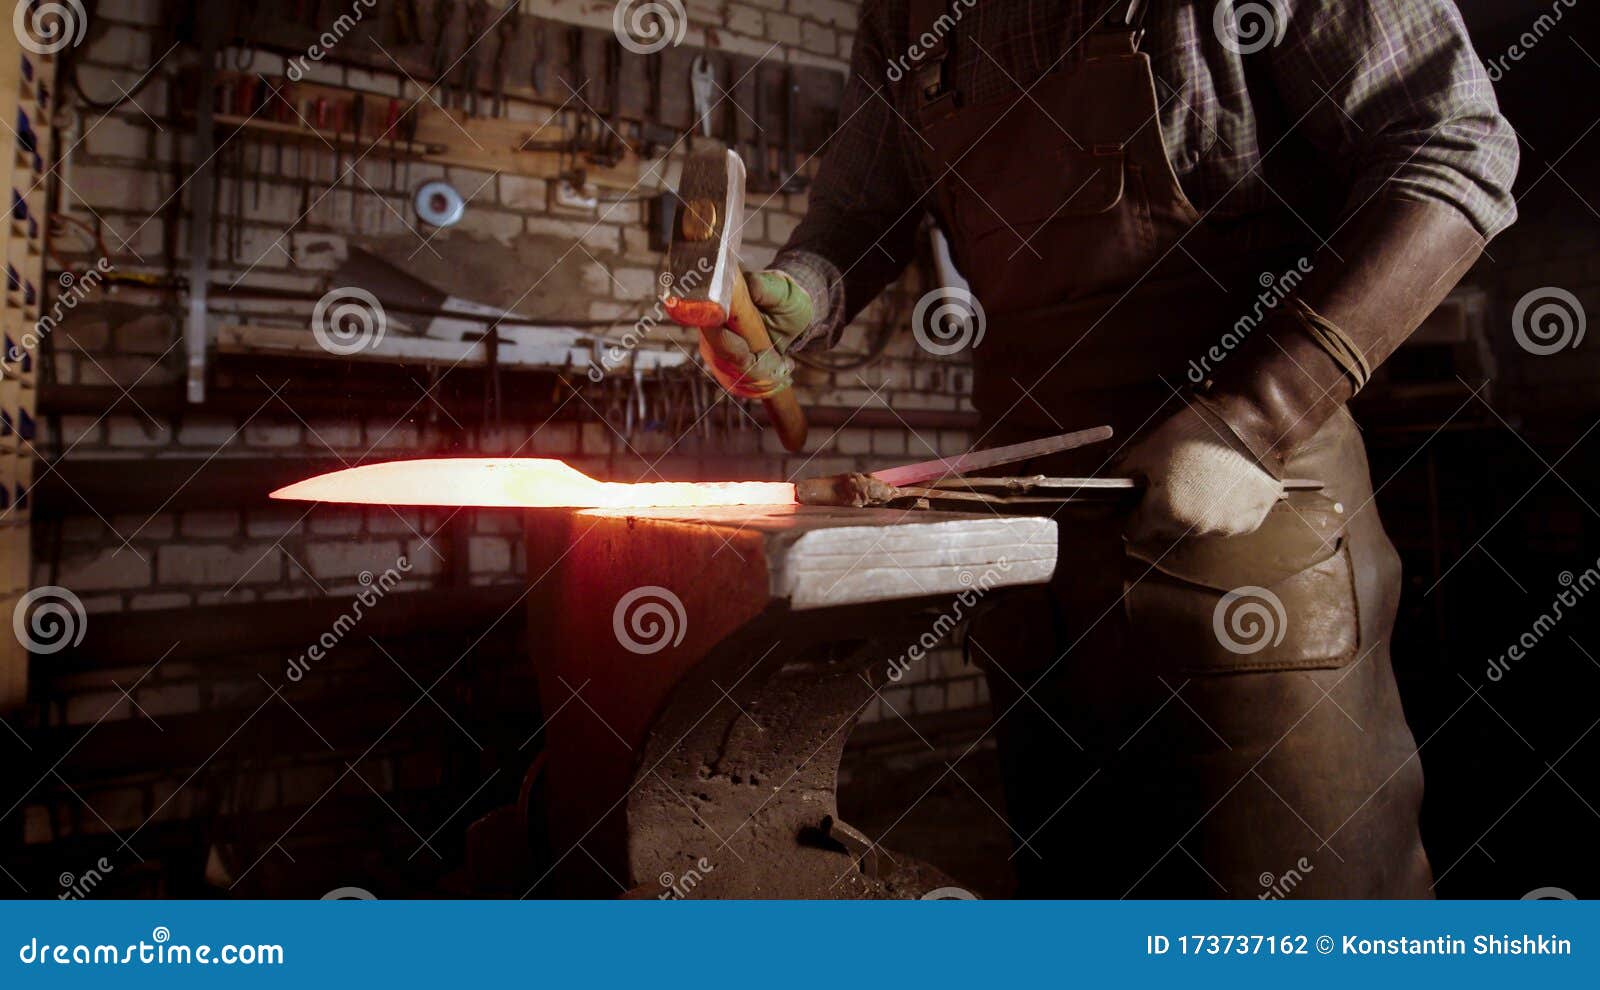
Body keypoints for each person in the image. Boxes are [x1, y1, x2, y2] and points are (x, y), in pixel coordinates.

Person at [684, 0, 1518, 896]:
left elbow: (1454, 147)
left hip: (1249, 506)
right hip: (1031, 535)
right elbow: (863, 209)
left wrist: (1262, 410)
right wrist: (801, 296)